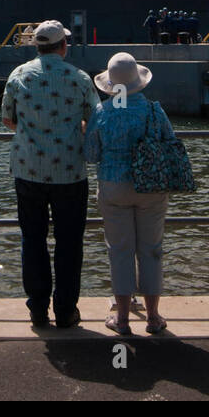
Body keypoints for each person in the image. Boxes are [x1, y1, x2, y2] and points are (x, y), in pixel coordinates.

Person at [1, 20, 100, 328]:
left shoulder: (18, 75)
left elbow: (7, 119)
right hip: (69, 174)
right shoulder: (79, 78)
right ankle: (66, 311)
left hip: (28, 170)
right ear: (63, 46)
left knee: (33, 239)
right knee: (69, 243)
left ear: (37, 45)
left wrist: (33, 133)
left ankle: (38, 309)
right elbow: (97, 119)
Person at [84, 52, 175, 335]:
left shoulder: (102, 112)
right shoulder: (153, 110)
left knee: (120, 251)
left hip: (113, 186)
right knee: (151, 250)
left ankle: (122, 319)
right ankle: (153, 317)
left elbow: (91, 155)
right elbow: (170, 143)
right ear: (138, 80)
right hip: (150, 186)